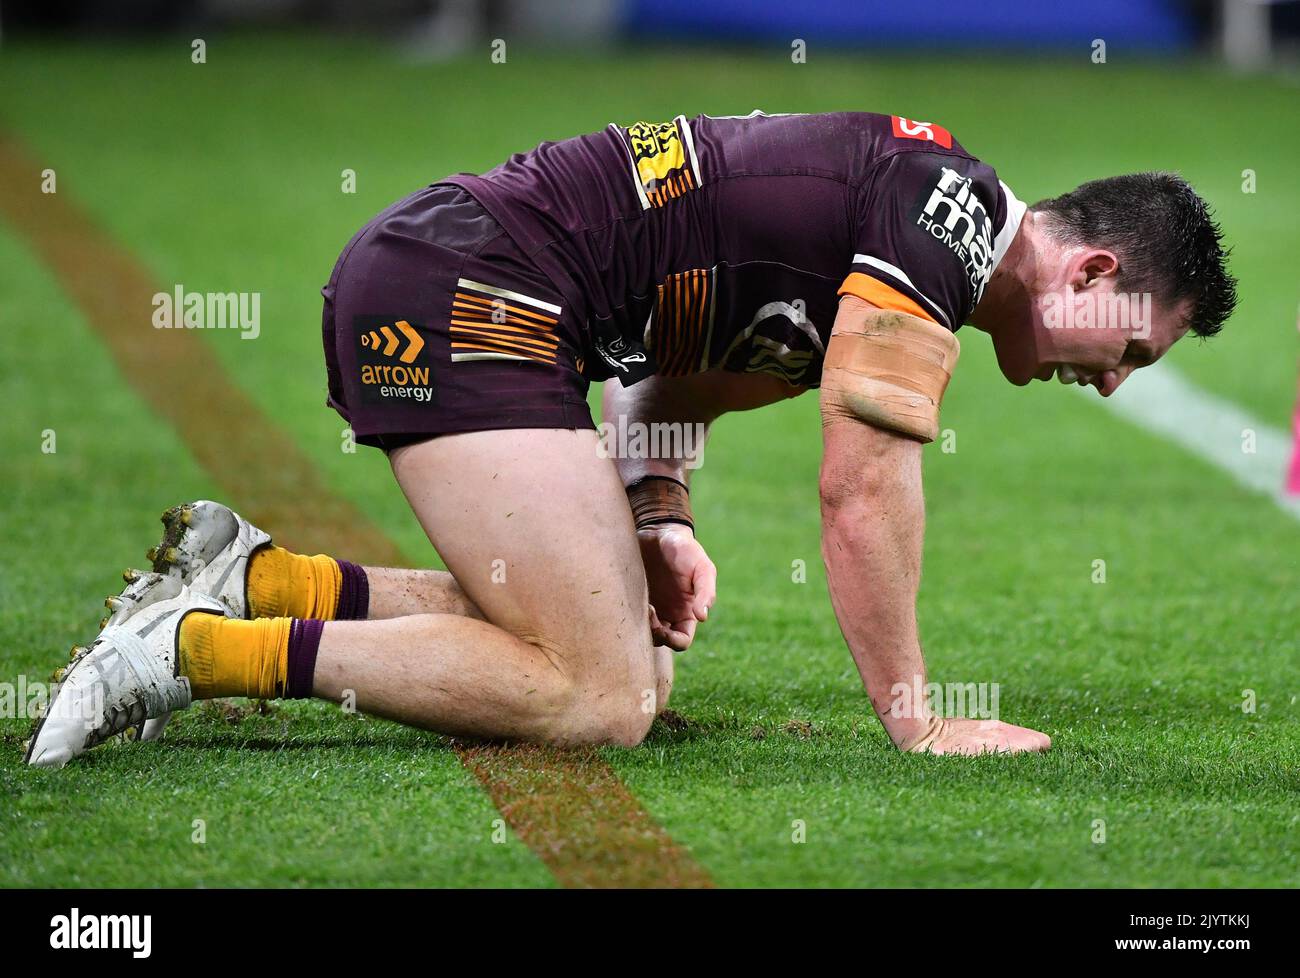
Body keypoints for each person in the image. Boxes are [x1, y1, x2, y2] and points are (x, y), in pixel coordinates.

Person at [27, 111, 1236, 767]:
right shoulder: (948, 216)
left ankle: (258, 579)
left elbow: (671, 382)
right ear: (1089, 270)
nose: (1118, 385)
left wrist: (658, 512)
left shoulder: (917, 231)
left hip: (471, 285)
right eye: (1133, 348)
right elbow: (860, 491)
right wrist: (918, 717)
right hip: (467, 292)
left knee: (630, 673)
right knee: (598, 698)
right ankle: (186, 652)